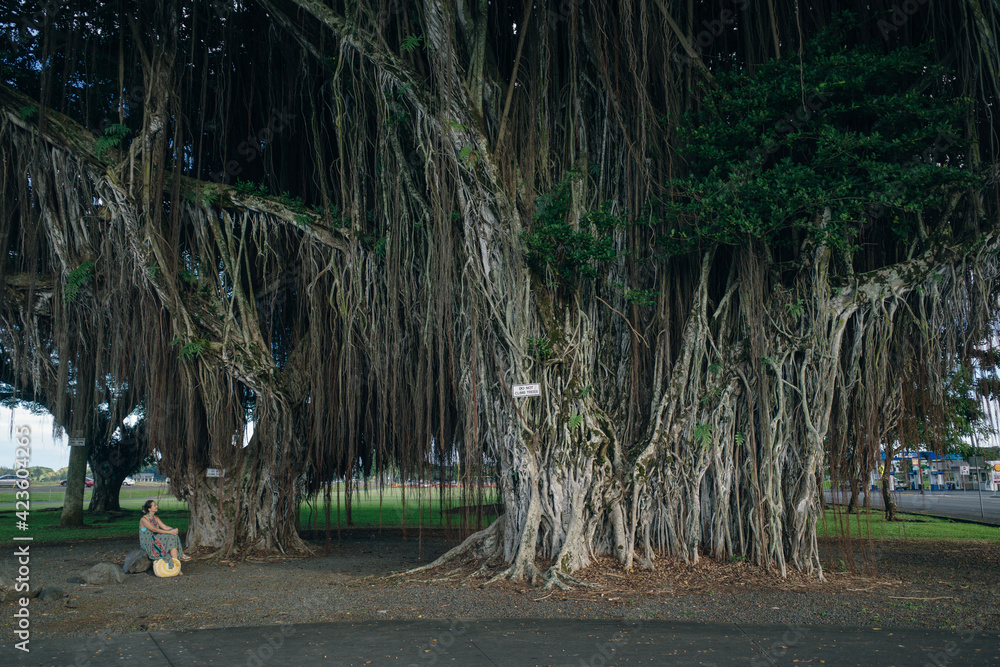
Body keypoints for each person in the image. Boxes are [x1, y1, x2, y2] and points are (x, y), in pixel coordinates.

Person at [139, 499, 191, 565]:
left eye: (156, 505)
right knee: (171, 535)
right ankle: (180, 555)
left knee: (173, 535)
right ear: (149, 509)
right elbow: (154, 530)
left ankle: (177, 562)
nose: (156, 506)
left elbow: (165, 527)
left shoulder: (156, 518)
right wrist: (170, 532)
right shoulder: (144, 519)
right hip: (149, 541)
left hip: (156, 537)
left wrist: (173, 529)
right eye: (154, 505)